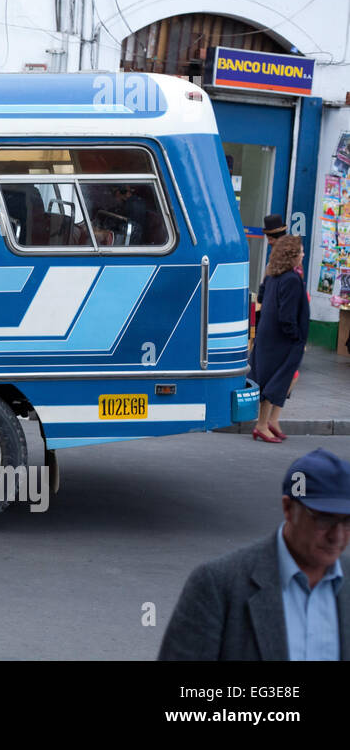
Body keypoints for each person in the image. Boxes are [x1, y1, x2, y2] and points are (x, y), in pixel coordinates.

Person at [159, 448, 350, 660]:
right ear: (288, 508)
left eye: (348, 521)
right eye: (324, 519)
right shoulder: (218, 584)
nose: (338, 536)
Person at [252, 235, 310, 444]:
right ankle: (261, 425)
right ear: (292, 255)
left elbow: (261, 298)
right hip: (282, 340)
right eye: (301, 251)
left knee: (269, 380)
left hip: (267, 337)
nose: (303, 254)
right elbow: (287, 316)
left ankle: (267, 423)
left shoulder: (272, 276)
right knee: (276, 381)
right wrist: (297, 337)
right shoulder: (292, 279)